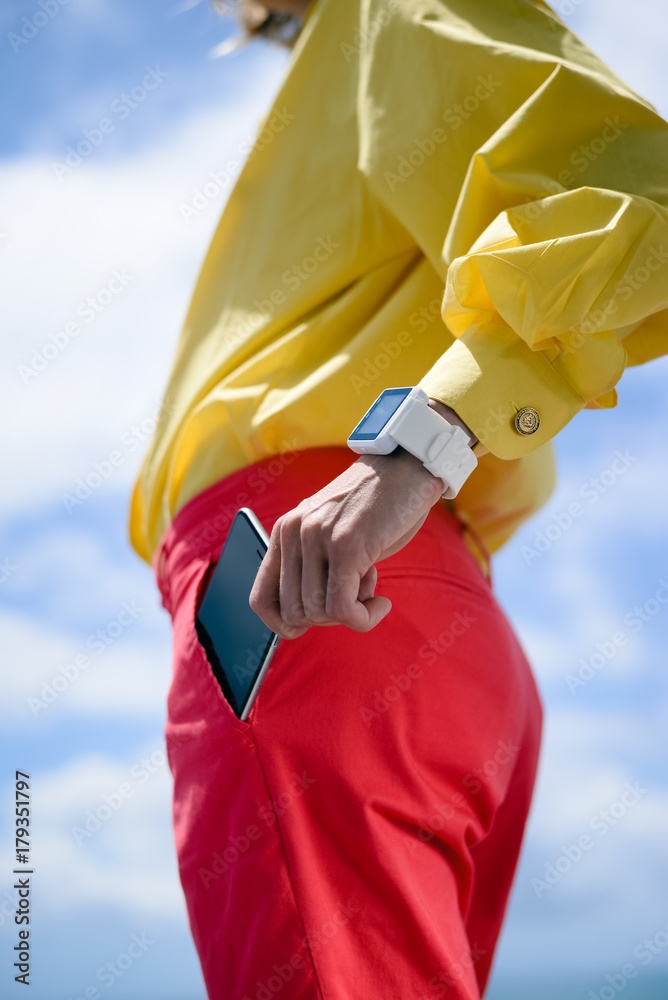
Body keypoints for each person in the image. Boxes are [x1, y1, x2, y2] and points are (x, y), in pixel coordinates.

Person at [129, 0, 668, 996]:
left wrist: (416, 444)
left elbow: (633, 191)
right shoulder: (349, 57)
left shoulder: (389, 7)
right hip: (401, 603)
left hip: (311, 583)